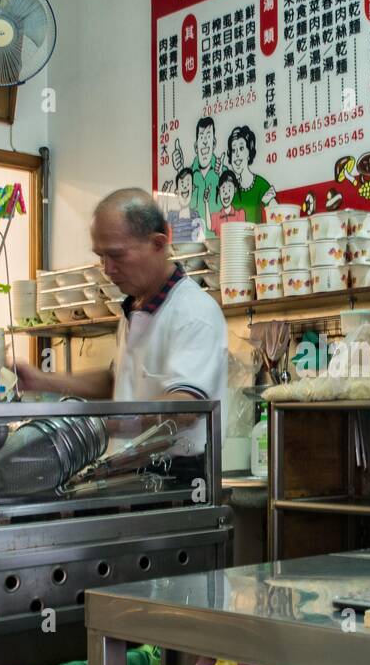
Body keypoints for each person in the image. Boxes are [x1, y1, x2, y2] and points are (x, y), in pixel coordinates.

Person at [16, 189, 227, 464]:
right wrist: (43, 381)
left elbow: (182, 408)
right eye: (101, 256)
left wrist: (103, 426)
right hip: (134, 475)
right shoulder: (136, 308)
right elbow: (120, 383)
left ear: (158, 244)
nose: (107, 268)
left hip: (181, 481)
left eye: (116, 255)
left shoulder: (192, 312)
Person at [173, 116, 221, 224]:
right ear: (196, 146)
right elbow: (179, 207)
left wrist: (220, 175)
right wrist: (179, 170)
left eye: (208, 136)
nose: (204, 141)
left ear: (214, 144)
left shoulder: (222, 173)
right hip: (191, 238)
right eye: (201, 136)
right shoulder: (187, 177)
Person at [226, 125, 277, 222]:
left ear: (249, 153)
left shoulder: (261, 184)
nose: (236, 154)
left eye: (241, 148)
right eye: (233, 150)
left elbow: (277, 212)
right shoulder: (230, 189)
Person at [210, 169, 245, 234]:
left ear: (235, 189)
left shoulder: (240, 214)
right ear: (219, 191)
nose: (226, 193)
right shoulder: (215, 217)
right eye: (223, 189)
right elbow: (209, 227)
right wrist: (206, 202)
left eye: (229, 189)